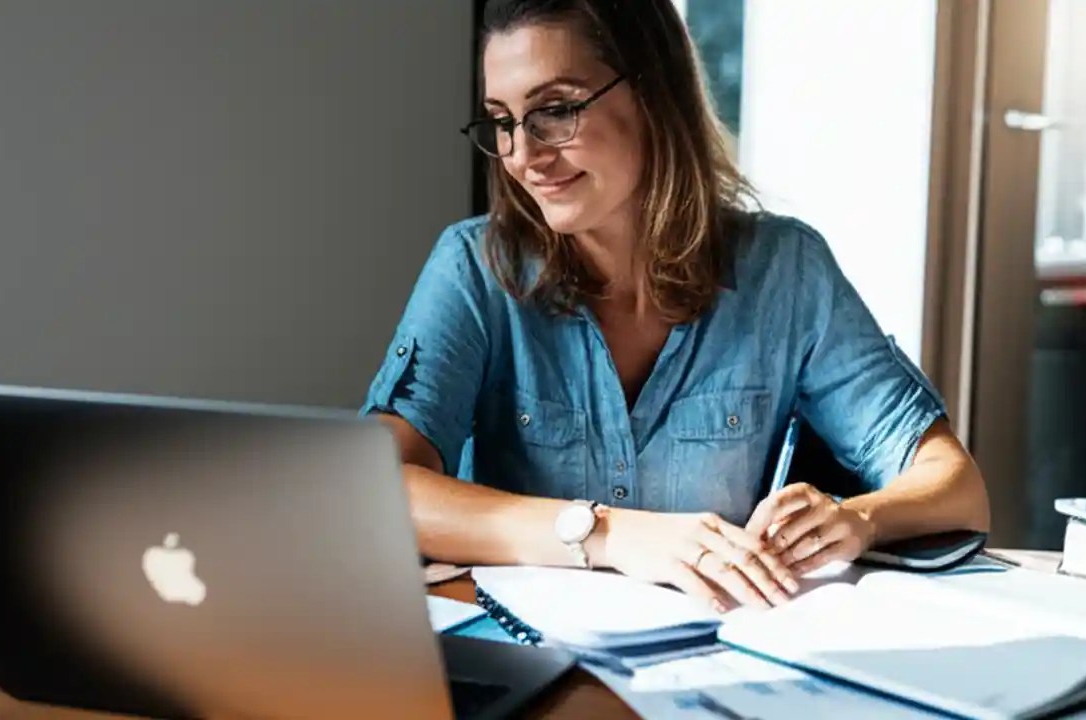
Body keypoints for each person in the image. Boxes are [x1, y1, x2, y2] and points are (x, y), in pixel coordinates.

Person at [362, 0, 990, 612]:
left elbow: (955, 486)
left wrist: (857, 519)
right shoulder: (475, 267)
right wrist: (607, 533)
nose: (524, 156)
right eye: (503, 120)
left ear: (652, 94)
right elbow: (375, 492)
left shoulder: (786, 271)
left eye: (555, 111)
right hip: (530, 667)